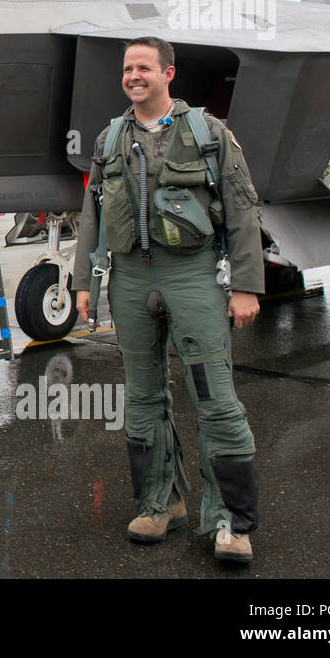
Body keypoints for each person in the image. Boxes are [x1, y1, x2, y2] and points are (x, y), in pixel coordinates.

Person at [72, 36, 263, 563]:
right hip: (130, 282)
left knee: (216, 399)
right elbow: (93, 213)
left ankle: (232, 524)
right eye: (128, 68)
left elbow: (243, 207)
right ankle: (160, 503)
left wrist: (246, 284)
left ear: (168, 73)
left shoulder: (206, 133)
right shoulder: (111, 138)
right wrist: (84, 281)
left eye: (145, 68)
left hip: (193, 277)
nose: (134, 76)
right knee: (141, 397)